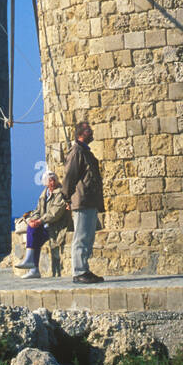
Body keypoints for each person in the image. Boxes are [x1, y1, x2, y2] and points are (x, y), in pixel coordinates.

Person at [61, 121, 105, 283]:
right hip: (82, 200)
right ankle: (79, 271)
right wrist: (66, 197)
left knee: (87, 237)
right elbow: (69, 176)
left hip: (89, 200)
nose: (92, 132)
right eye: (89, 130)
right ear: (82, 133)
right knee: (81, 237)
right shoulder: (76, 152)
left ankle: (84, 269)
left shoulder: (84, 151)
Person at [15, 171, 72, 279]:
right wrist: (34, 220)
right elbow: (37, 210)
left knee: (34, 236)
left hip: (56, 226)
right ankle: (32, 267)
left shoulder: (60, 193)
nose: (52, 182)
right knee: (32, 230)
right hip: (46, 225)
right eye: (50, 180)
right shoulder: (44, 193)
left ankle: (32, 265)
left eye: (54, 179)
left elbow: (55, 213)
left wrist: (39, 221)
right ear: (45, 183)